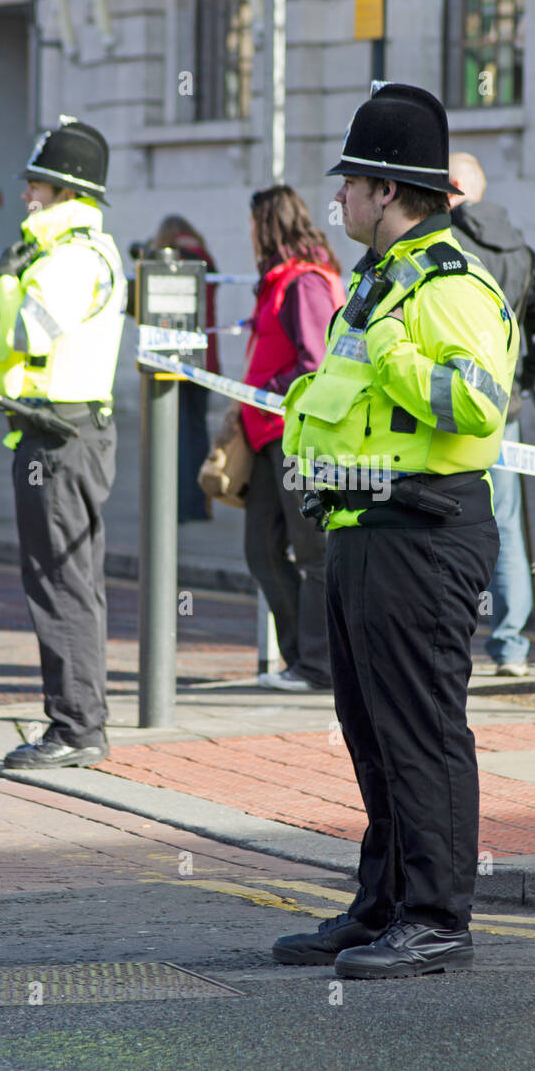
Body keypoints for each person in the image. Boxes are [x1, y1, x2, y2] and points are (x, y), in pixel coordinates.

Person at [272, 84, 519, 979]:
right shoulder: (380, 281)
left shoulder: (447, 284)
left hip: (423, 531)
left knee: (420, 731)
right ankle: (379, 907)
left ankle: (436, 918)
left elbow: (478, 404)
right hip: (362, 527)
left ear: (386, 191)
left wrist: (389, 347)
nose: (335, 198)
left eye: (349, 183)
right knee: (372, 732)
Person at [0, 115, 127, 768]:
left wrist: (7, 284)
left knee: (58, 583)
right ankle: (80, 718)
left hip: (60, 436)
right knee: (72, 581)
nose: (26, 196)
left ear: (66, 191)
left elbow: (28, 335)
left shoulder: (67, 259)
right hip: (62, 431)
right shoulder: (75, 253)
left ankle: (74, 729)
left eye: (36, 185)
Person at [448, 152, 535, 677]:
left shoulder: (444, 245)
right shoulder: (520, 248)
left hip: (451, 406)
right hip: (506, 412)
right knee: (508, 528)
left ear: (451, 189)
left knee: (447, 521)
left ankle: (450, 641)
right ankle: (511, 648)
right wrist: (516, 380)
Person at [241, 185, 344, 692]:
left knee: (312, 554)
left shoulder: (304, 284)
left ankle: (318, 664)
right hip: (265, 436)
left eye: (254, 224)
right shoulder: (278, 281)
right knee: (260, 548)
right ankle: (298, 656)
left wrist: (266, 390)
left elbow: (317, 360)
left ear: (269, 224)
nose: (249, 235)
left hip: (294, 437)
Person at [147, 215, 219, 523]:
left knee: (173, 436)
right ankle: (199, 504)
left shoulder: (170, 261)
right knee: (197, 434)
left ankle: (177, 504)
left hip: (175, 359)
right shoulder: (206, 259)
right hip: (206, 359)